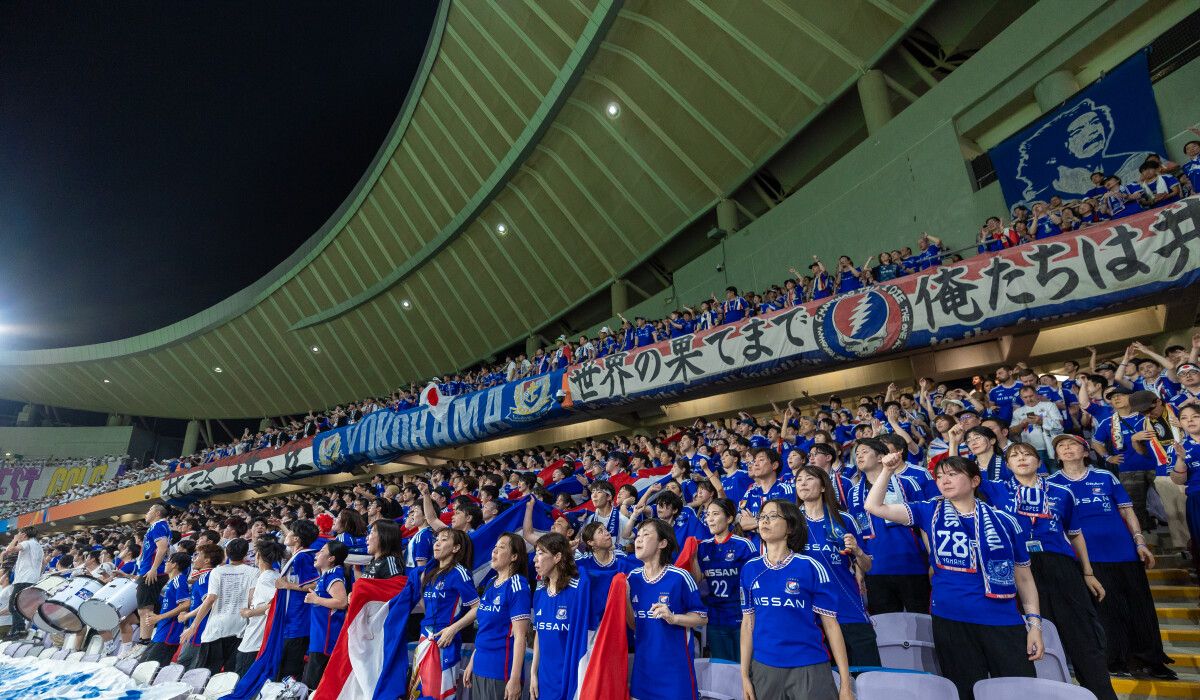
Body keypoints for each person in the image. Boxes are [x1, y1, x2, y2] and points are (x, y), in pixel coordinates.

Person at [865, 454, 1043, 700]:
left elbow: (1024, 579)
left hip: (1002, 621)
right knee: (964, 690)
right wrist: (886, 470)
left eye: (952, 474)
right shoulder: (929, 510)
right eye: (939, 476)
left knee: (1019, 691)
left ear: (974, 481)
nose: (944, 481)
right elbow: (874, 506)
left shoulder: (1006, 522)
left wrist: (1034, 625)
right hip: (951, 620)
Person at [999, 443, 1116, 700]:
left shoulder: (1061, 492)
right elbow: (962, 476)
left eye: (1027, 454)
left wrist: (1087, 572)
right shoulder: (997, 491)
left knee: (1083, 636)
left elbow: (1075, 535)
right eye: (1014, 456)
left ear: (1039, 461)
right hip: (1017, 568)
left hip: (1060, 566)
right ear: (1006, 465)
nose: (1021, 459)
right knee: (1026, 640)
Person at [1054, 434, 1174, 680]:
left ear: (1086, 451)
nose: (1066, 449)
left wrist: (1140, 541)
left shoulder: (1105, 476)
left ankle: (1150, 660)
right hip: (1087, 558)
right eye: (1061, 446)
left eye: (1072, 444)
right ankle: (1115, 659)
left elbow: (1127, 511)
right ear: (1056, 455)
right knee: (1105, 610)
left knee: (1139, 607)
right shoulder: (1052, 484)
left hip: (1123, 551)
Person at [739, 499, 852, 700]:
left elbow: (831, 626)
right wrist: (744, 676)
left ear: (790, 527)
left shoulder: (810, 567)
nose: (764, 521)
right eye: (762, 516)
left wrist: (845, 684)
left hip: (809, 666)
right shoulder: (750, 569)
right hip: (765, 668)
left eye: (772, 516)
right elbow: (748, 624)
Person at [795, 466, 880, 667]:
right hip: (808, 616)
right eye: (799, 480)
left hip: (847, 609)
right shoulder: (791, 522)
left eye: (809, 479)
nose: (803, 483)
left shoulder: (844, 519)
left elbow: (867, 566)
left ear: (824, 486)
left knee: (866, 675)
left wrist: (858, 551)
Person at [845, 438, 929, 614]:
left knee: (923, 625)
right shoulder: (853, 492)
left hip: (911, 564)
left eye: (864, 451)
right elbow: (857, 533)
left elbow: (925, 524)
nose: (859, 456)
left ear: (880, 457)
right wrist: (860, 569)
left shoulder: (907, 483)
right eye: (856, 453)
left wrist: (932, 561)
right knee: (887, 630)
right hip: (875, 569)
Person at [627, 519, 707, 700]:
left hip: (674, 671)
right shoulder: (632, 578)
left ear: (662, 543)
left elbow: (702, 617)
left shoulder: (679, 576)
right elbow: (633, 625)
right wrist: (624, 598)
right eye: (638, 535)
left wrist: (673, 618)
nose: (638, 539)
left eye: (646, 534)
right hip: (643, 670)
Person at [464, 533, 531, 700]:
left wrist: (514, 679)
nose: (494, 551)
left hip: (500, 671)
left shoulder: (517, 586)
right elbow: (485, 629)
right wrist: (473, 661)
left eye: (501, 547)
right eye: (494, 547)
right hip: (480, 666)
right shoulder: (491, 583)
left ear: (514, 556)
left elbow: (521, 637)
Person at [690, 498, 754, 662]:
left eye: (715, 514)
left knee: (746, 667)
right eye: (707, 514)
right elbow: (698, 581)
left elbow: (754, 583)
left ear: (730, 518)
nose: (709, 518)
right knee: (723, 668)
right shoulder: (703, 547)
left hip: (742, 617)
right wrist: (693, 559)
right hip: (715, 618)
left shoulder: (744, 545)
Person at [530, 533, 589, 700]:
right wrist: (533, 673)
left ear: (557, 557)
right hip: (544, 680)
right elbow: (539, 635)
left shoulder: (578, 590)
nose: (535, 559)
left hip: (571, 680)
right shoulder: (539, 593)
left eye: (541, 553)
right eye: (535, 553)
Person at [419, 529, 479, 675]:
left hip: (446, 641)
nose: (437, 544)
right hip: (425, 637)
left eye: (444, 540)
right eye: (436, 539)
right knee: (419, 693)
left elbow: (478, 607)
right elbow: (424, 605)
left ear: (456, 548)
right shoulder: (430, 572)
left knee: (442, 695)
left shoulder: (460, 573)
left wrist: (453, 629)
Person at [195, 537, 257, 673]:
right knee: (230, 674)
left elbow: (210, 599)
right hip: (239, 627)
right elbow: (251, 601)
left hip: (216, 627)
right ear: (246, 554)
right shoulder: (254, 572)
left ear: (227, 553)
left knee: (204, 673)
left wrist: (194, 626)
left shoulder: (217, 571)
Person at [273, 520, 321, 682]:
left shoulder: (304, 557)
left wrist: (287, 585)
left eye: (290, 532)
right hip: (292, 620)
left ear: (297, 539)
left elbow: (316, 584)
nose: (286, 535)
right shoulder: (299, 555)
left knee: (290, 670)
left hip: (298, 620)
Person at [302, 540, 350, 690]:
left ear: (331, 558)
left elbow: (342, 602)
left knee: (313, 685)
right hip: (320, 637)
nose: (317, 554)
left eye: (322, 551)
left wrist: (316, 599)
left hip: (326, 639)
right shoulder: (327, 574)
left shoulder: (333, 575)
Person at [575, 521, 637, 634]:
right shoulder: (582, 564)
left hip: (619, 624)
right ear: (590, 542)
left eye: (606, 530)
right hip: (592, 627)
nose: (607, 533)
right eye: (601, 532)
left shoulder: (622, 561)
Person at [234, 539, 285, 677]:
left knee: (243, 679)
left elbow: (273, 605)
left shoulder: (266, 578)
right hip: (261, 638)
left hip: (255, 639)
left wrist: (249, 612)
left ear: (258, 556)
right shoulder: (275, 575)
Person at [142, 552, 192, 665]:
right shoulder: (172, 581)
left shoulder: (179, 580)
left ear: (174, 565)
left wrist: (160, 617)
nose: (165, 563)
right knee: (143, 666)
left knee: (150, 669)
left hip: (169, 633)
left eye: (168, 561)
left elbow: (186, 604)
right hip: (162, 631)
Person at [178, 543, 222, 669]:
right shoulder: (210, 575)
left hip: (200, 629)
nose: (194, 559)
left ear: (207, 560)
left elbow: (208, 602)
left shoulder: (205, 578)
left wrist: (188, 615)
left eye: (197, 556)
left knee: (189, 666)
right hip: (201, 628)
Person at [137, 504, 172, 642]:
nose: (146, 513)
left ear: (157, 513)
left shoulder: (158, 526)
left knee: (145, 609)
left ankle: (144, 642)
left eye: (149, 510)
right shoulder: (157, 526)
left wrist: (153, 569)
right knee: (144, 609)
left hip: (152, 572)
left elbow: (162, 548)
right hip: (149, 570)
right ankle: (143, 640)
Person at [1, 527, 42, 639]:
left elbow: (8, 551)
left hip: (24, 579)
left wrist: (15, 539)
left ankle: (19, 630)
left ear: (24, 535)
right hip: (32, 578)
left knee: (13, 605)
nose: (18, 536)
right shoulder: (38, 545)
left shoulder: (27, 543)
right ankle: (16, 630)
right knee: (19, 605)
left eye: (19, 534)